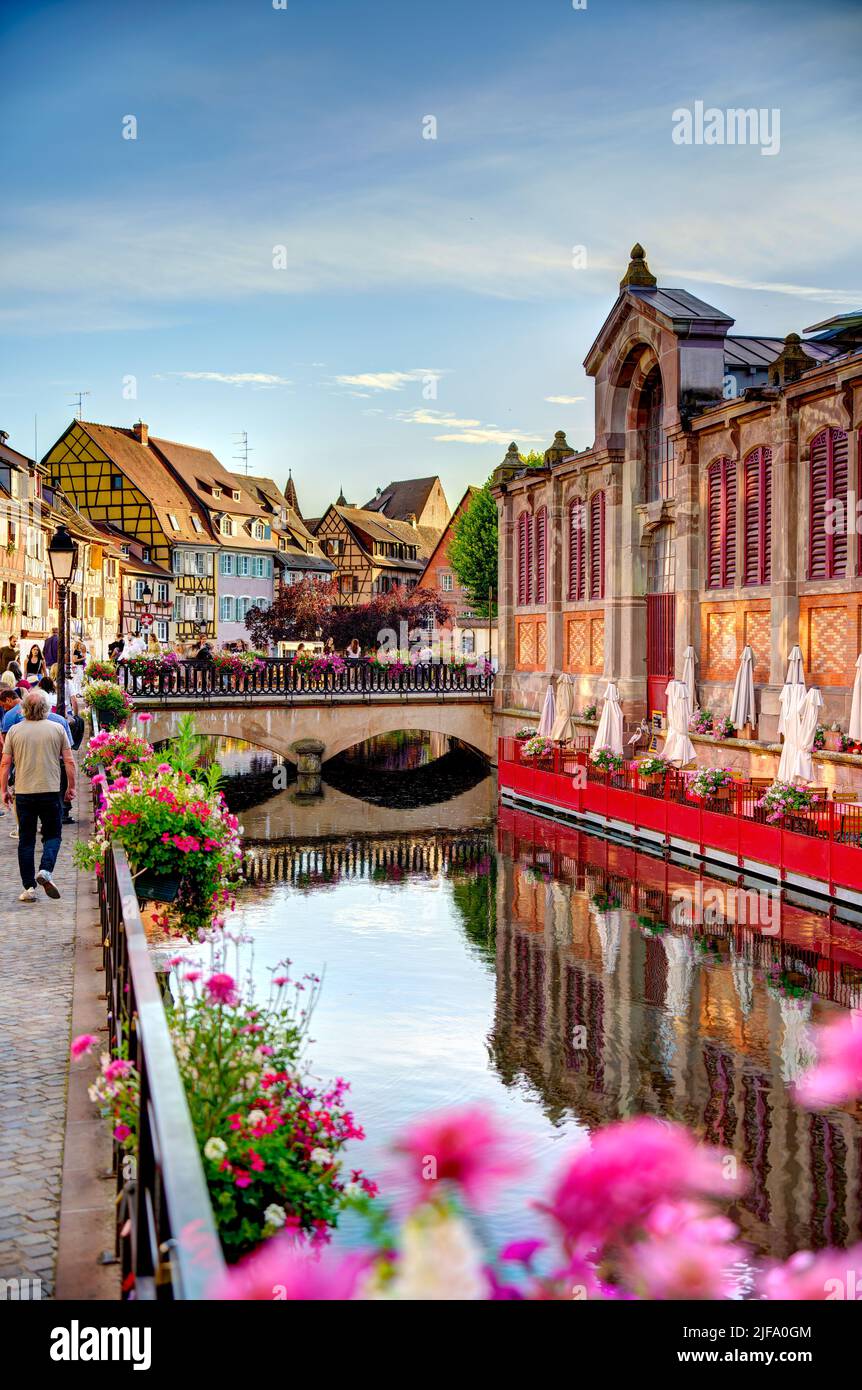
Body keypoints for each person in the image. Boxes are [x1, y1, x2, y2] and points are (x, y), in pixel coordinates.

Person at [0, 689, 75, 901]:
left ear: (24, 709)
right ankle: (45, 870)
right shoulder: (57, 728)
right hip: (50, 791)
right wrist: (71, 787)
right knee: (52, 835)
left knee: (26, 840)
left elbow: (5, 763)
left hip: (24, 792)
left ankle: (29, 888)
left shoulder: (14, 731)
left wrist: (3, 790)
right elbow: (69, 761)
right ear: (46, 708)